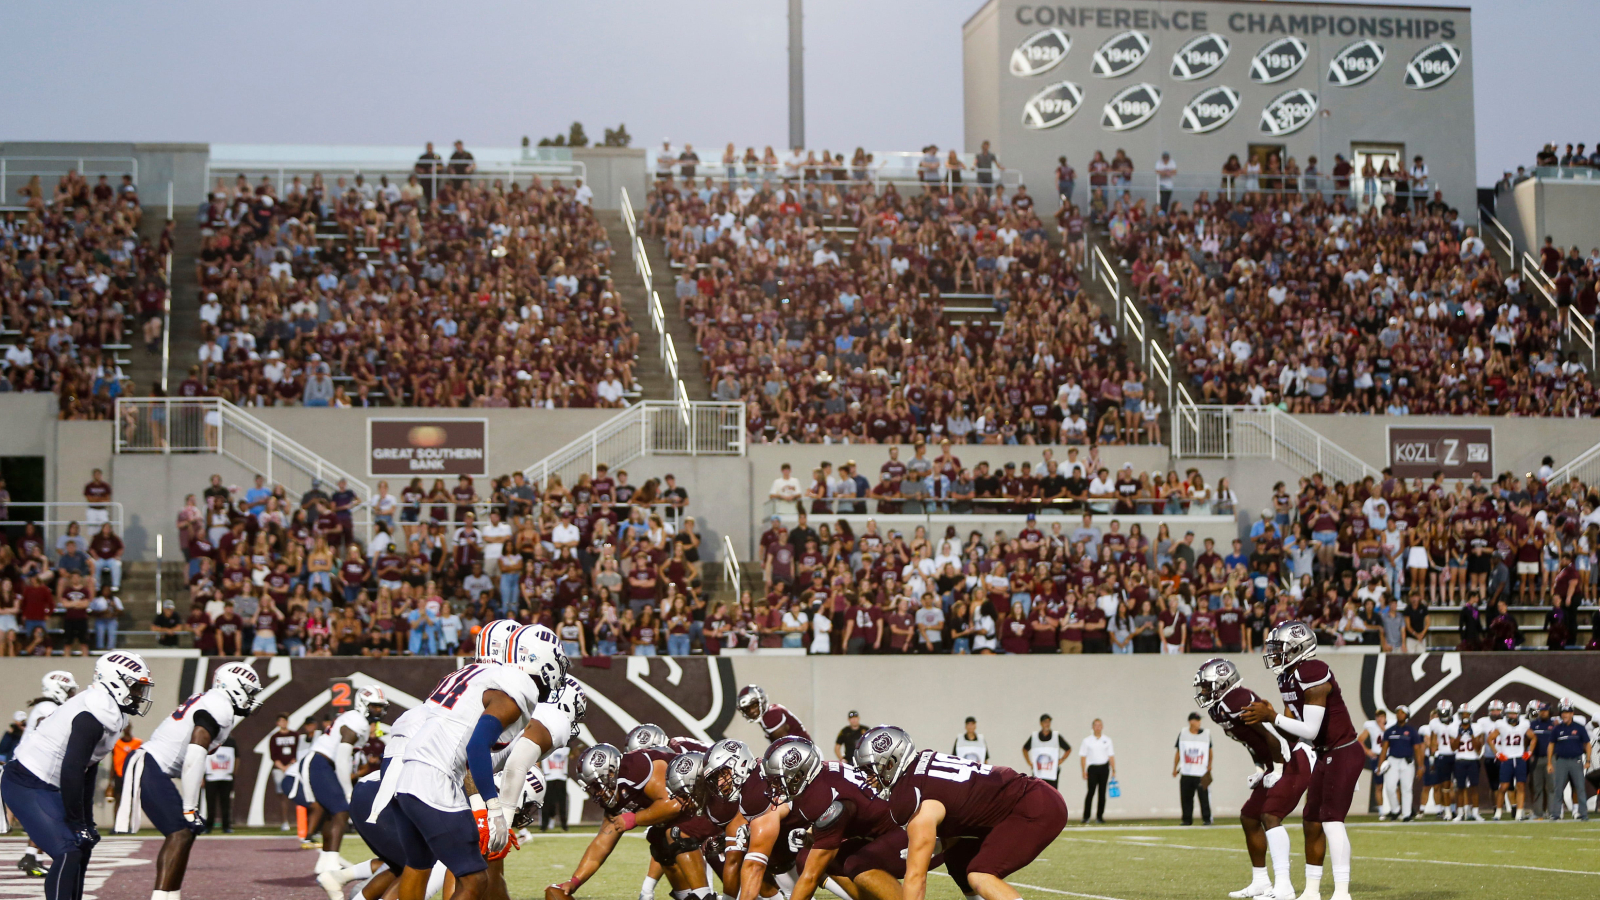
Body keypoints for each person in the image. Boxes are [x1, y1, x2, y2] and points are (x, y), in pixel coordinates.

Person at [1, 653, 154, 900]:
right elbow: (72, 769)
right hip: (26, 780)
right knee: (68, 850)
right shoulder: (93, 712)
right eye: (135, 687)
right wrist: (76, 822)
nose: (139, 694)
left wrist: (87, 822)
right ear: (115, 682)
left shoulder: (111, 710)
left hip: (46, 783)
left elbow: (88, 766)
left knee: (82, 844)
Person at [856, 725, 1067, 900]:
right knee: (958, 858)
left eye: (870, 769)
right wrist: (945, 842)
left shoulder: (913, 796)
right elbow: (964, 805)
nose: (868, 778)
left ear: (891, 764)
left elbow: (916, 878)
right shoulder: (920, 766)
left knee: (981, 874)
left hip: (1032, 807)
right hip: (1027, 798)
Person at [115, 662, 261, 898]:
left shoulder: (212, 700)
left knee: (184, 833)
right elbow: (195, 752)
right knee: (181, 832)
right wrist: (190, 808)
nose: (251, 698)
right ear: (234, 687)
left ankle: (171, 895)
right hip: (147, 763)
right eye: (249, 691)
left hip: (150, 764)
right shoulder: (219, 706)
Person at [1243, 622, 1364, 900]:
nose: (1273, 654)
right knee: (1311, 820)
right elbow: (1293, 726)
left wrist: (1271, 717)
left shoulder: (1313, 672)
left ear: (1297, 647)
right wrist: (1268, 729)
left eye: (1278, 649)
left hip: (1342, 750)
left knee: (1332, 820)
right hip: (1324, 752)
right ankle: (1311, 891)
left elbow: (1309, 728)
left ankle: (1342, 893)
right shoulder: (1288, 676)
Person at [1195, 657, 1308, 900]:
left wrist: (1277, 768)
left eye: (1207, 686)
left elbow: (1271, 733)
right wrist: (1260, 767)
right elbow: (1250, 741)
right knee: (1249, 817)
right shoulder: (1219, 708)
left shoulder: (1238, 700)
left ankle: (1284, 887)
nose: (1203, 691)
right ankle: (1261, 882)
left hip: (1291, 759)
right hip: (1274, 762)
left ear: (1223, 683)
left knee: (1270, 815)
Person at [764, 736, 932, 900]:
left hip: (907, 829)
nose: (775, 786)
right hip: (886, 829)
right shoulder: (824, 775)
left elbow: (810, 877)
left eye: (779, 779)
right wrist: (809, 836)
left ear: (799, 774)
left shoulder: (821, 796)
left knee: (857, 864)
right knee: (829, 860)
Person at [306, 685, 389, 876]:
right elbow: (343, 755)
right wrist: (347, 790)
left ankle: (325, 861)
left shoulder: (357, 719)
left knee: (333, 812)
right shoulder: (357, 721)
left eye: (381, 706)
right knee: (342, 809)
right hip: (322, 762)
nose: (379, 710)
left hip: (325, 763)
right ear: (363, 704)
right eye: (375, 706)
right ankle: (332, 861)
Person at [16, 670, 80, 877]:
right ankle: (32, 857)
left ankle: (32, 857)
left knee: (47, 815)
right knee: (49, 815)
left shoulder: (47, 706)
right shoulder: (48, 707)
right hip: (32, 769)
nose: (71, 695)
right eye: (68, 691)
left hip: (35, 768)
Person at [1546, 699, 1591, 821]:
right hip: (1561, 761)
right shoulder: (1557, 729)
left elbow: (1587, 744)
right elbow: (1551, 745)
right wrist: (1549, 762)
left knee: (1579, 787)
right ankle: (1555, 813)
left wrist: (1588, 760)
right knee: (1558, 788)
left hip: (1576, 761)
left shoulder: (1579, 728)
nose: (1565, 714)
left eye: (1567, 712)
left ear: (1572, 713)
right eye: (1563, 712)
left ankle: (1583, 813)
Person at [1378, 705, 1424, 821]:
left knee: (1406, 788)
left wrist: (1420, 766)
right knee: (1390, 787)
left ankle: (1407, 814)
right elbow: (1384, 749)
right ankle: (1395, 810)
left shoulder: (1411, 731)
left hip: (1407, 761)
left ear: (1407, 715)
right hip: (1392, 761)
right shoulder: (1390, 730)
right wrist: (1380, 765)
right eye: (1398, 712)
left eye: (1402, 713)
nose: (1399, 715)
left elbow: (1417, 749)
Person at [1489, 702, 1533, 820]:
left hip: (1519, 758)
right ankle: (1498, 813)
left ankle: (1519, 813)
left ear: (1518, 714)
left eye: (1514, 714)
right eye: (1509, 714)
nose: (1511, 716)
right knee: (1503, 787)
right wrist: (1497, 753)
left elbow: (1533, 738)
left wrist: (1529, 752)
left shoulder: (1524, 724)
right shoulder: (1501, 724)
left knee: (1521, 786)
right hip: (1507, 759)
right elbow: (1490, 739)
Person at [1174, 712, 1213, 826]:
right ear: (1191, 721)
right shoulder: (1183, 734)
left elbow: (1210, 751)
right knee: (1186, 798)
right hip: (1186, 772)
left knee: (1204, 798)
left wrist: (1210, 765)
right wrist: (1175, 767)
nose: (1199, 723)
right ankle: (1186, 820)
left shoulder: (1206, 734)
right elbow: (1178, 752)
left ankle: (1207, 819)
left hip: (1202, 772)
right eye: (1197, 720)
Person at [735, 684, 808, 743]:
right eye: (746, 709)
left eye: (754, 705)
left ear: (762, 700)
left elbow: (785, 747)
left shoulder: (771, 716)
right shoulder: (768, 715)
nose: (751, 711)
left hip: (803, 755)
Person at [1021, 714, 1071, 791]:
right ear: (1041, 723)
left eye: (1049, 722)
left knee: (1052, 793)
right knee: (1037, 792)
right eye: (1045, 722)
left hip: (1052, 772)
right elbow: (1025, 749)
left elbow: (1068, 749)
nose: (1047, 724)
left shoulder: (1056, 736)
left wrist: (1061, 760)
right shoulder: (1034, 737)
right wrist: (1029, 762)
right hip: (1039, 772)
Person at [1080, 718, 1115, 824]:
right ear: (1092, 727)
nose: (1098, 727)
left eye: (1100, 725)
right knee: (1090, 792)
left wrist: (1113, 770)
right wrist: (1083, 770)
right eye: (1096, 725)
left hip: (1104, 768)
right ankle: (1086, 817)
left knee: (1102, 793)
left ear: (1102, 727)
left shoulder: (1107, 740)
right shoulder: (1087, 741)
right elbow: (1083, 756)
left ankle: (1099, 817)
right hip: (1092, 769)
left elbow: (1111, 756)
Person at [268, 713, 300, 830]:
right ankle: (285, 821)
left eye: (284, 720)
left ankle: (300, 820)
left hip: (294, 768)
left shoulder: (295, 735)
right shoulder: (274, 737)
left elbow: (298, 752)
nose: (283, 723)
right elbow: (273, 756)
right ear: (277, 723)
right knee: (283, 796)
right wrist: (283, 767)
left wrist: (291, 765)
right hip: (279, 769)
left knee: (298, 793)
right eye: (280, 721)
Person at [204, 737, 238, 833]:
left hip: (226, 777)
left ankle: (226, 826)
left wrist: (233, 773)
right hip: (211, 777)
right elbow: (202, 758)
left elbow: (237, 757)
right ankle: (208, 826)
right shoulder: (209, 741)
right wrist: (202, 776)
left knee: (226, 803)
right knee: (210, 803)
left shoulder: (231, 742)